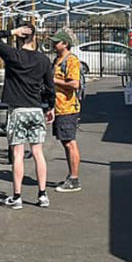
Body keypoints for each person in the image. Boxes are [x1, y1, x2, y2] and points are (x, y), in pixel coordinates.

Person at [0, 23, 55, 210]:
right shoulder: (43, 60)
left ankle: (17, 196)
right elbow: (50, 86)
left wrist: (11, 32)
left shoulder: (13, 55)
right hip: (35, 109)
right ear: (35, 38)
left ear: (19, 37)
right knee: (38, 153)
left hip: (17, 109)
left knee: (18, 154)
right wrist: (50, 107)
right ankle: (42, 194)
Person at [49, 30, 83, 193]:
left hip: (68, 108)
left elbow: (75, 84)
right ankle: (71, 176)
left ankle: (74, 178)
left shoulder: (71, 60)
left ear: (65, 44)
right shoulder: (57, 60)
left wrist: (54, 80)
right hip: (59, 106)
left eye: (57, 42)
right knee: (65, 142)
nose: (54, 44)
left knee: (69, 142)